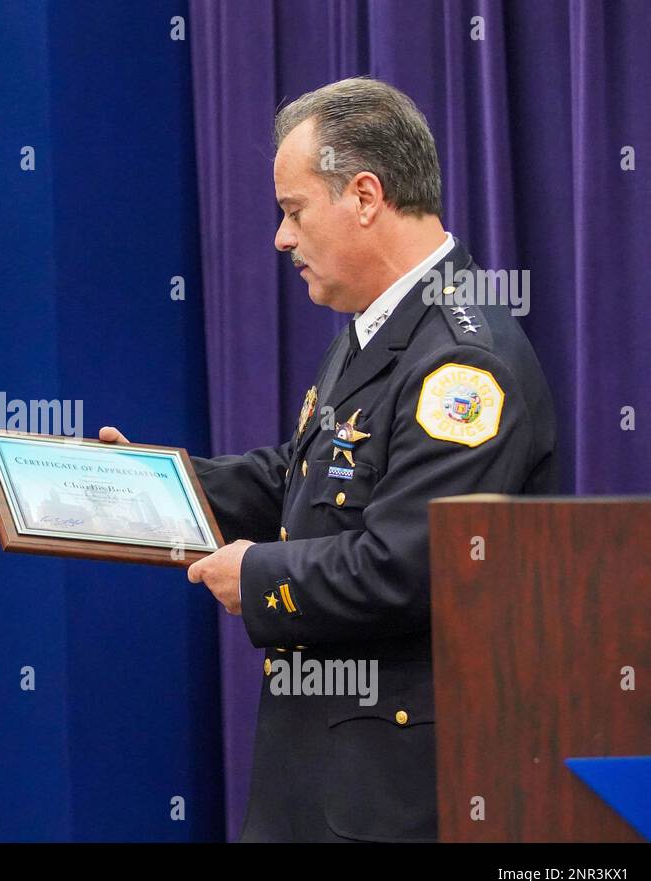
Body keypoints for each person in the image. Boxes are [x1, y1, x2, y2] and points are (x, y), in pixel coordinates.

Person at [100, 77, 556, 842]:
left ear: (366, 195)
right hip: (322, 770)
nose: (281, 238)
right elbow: (308, 473)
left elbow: (409, 565)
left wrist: (255, 576)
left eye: (293, 210)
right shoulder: (380, 325)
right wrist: (155, 484)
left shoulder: (464, 367)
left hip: (396, 793)